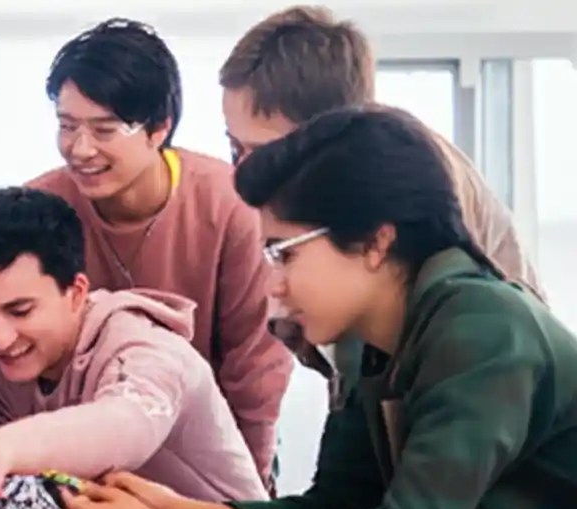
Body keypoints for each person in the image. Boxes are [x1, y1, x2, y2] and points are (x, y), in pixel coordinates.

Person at [56, 107, 577, 509]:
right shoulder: (373, 341)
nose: (272, 286)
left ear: (376, 242)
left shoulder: (483, 329)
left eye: (283, 253)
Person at [219, 5, 545, 402]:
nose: (243, 172)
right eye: (234, 147)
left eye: (263, 151)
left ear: (328, 131)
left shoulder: (408, 182)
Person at [26, 18, 292, 492]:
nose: (80, 148)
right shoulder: (40, 207)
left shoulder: (231, 207)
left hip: (207, 456)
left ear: (159, 129)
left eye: (105, 129)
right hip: (83, 465)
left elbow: (255, 369)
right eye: (67, 126)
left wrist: (241, 503)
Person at [0, 187, 268, 508]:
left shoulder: (147, 348)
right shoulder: (13, 376)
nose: (0, 339)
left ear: (76, 293)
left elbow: (127, 424)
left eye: (20, 311)